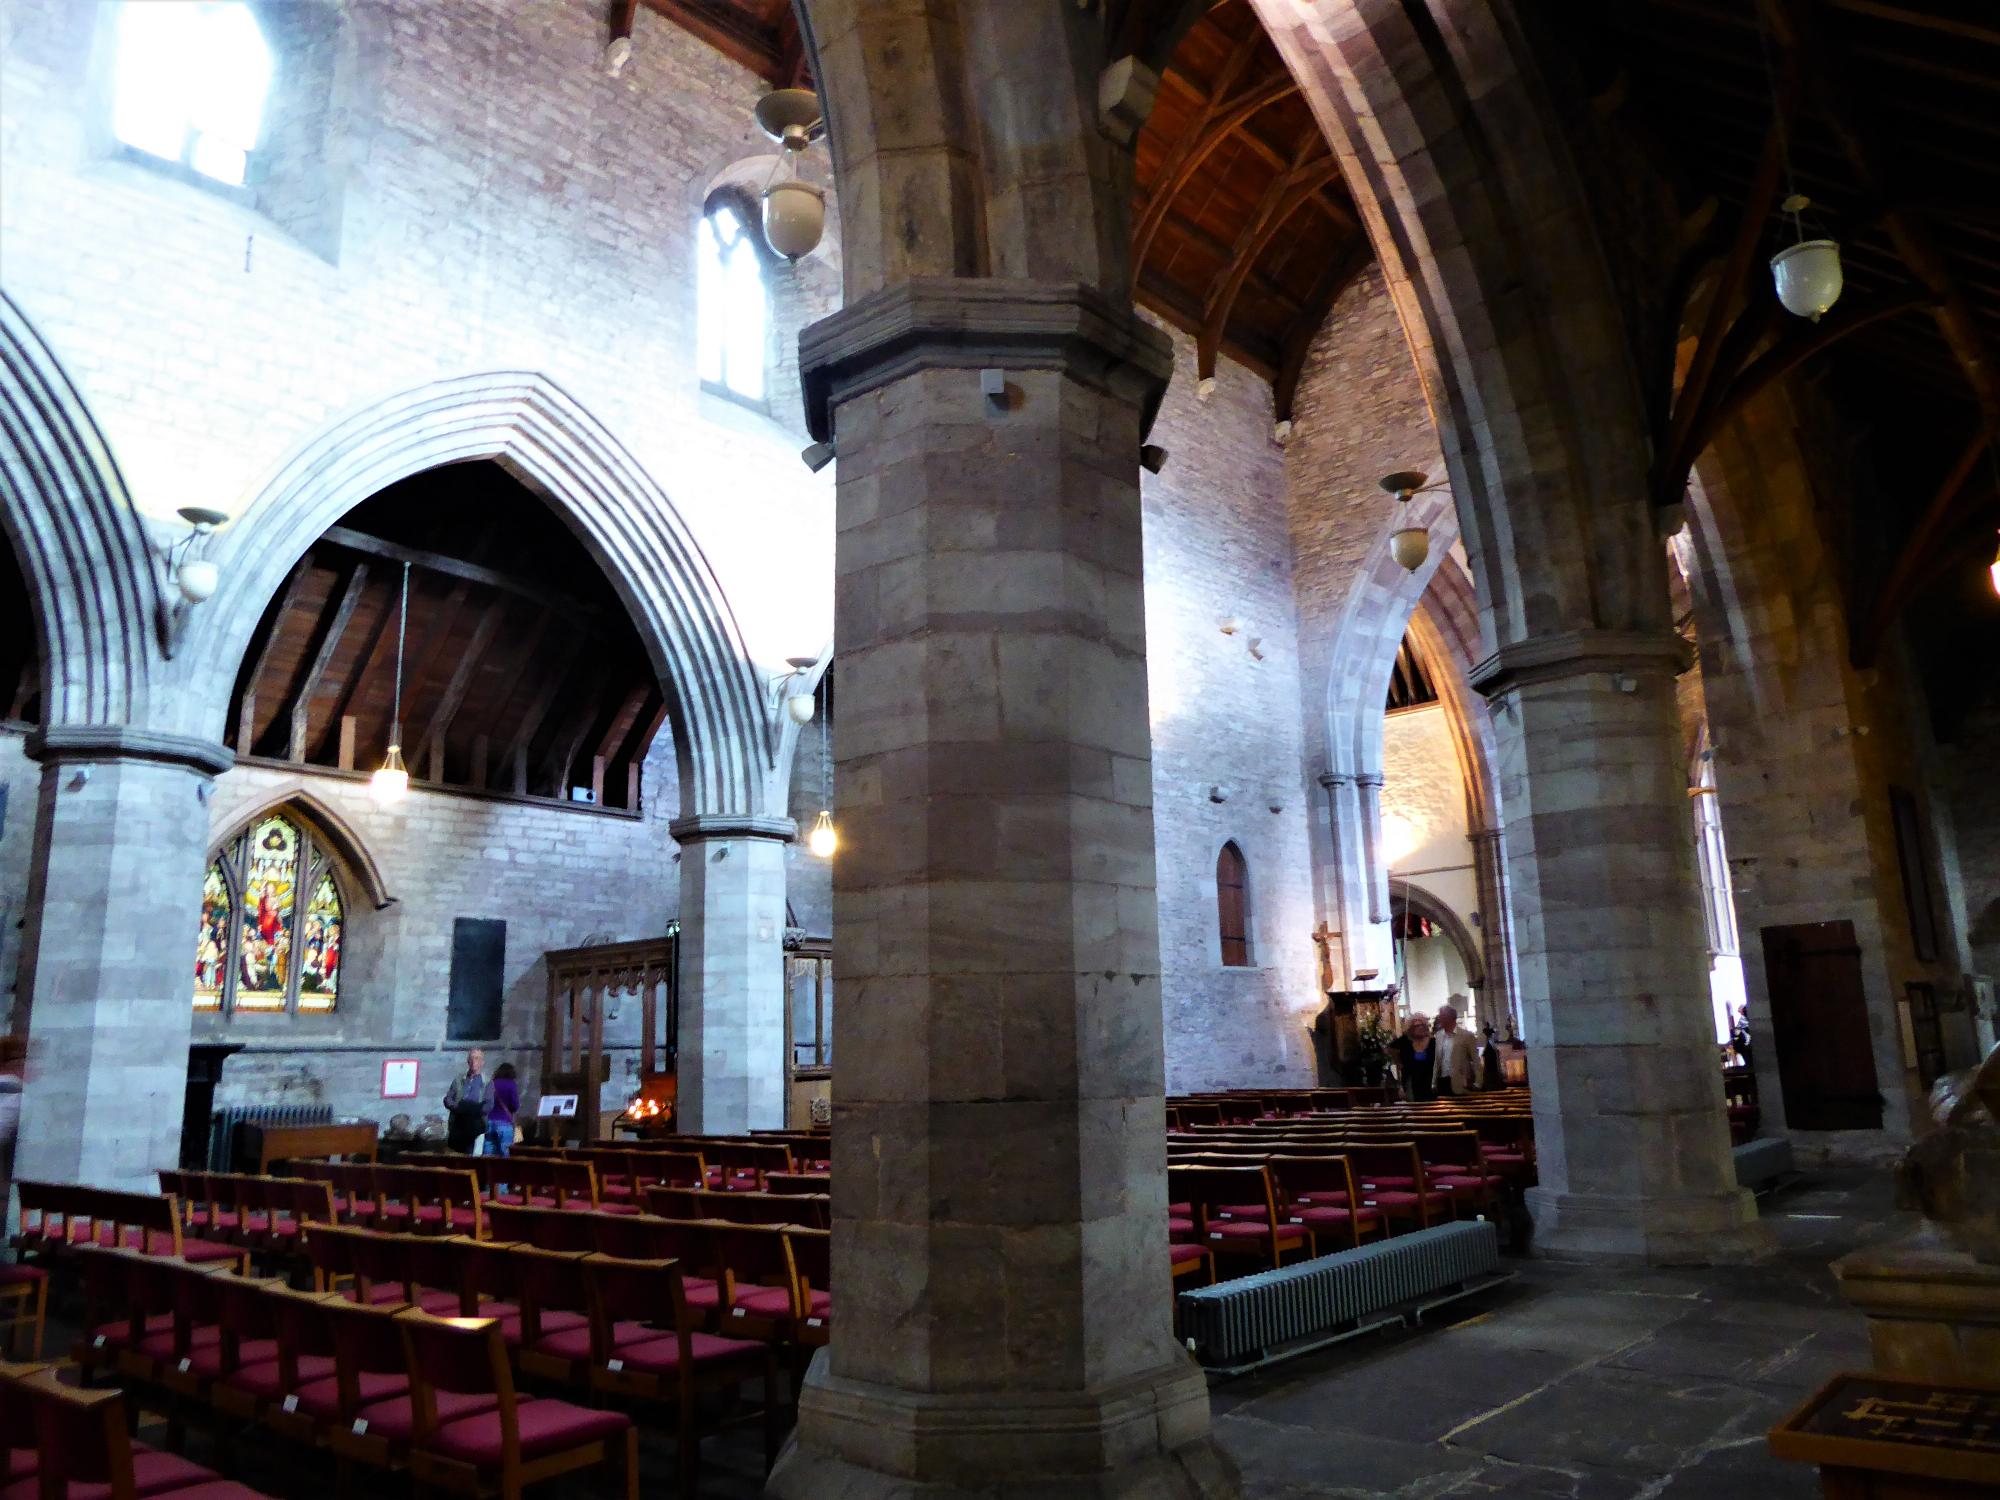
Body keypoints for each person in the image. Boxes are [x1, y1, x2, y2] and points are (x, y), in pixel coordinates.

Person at [443, 1048, 490, 1154]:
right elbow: (448, 1098)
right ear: (468, 1061)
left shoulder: (486, 1082)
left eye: (477, 1058)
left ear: (482, 1062)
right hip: (458, 1125)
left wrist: (473, 1109)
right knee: (456, 1157)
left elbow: (489, 1104)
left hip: (477, 1125)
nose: (474, 1062)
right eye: (472, 1058)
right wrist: (457, 1107)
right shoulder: (458, 1080)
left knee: (473, 1159)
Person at [1388, 1015, 1437, 1101]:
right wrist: (1398, 1061)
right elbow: (1389, 1048)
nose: (1420, 1028)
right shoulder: (1405, 1041)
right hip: (1411, 1082)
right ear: (1411, 1028)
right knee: (1414, 1108)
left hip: (1430, 1081)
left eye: (1422, 1025)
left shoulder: (1434, 1042)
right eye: (1416, 1026)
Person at [1435, 1000, 1478, 1095]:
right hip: (1442, 1082)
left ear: (1450, 1018)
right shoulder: (1438, 1036)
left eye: (1441, 1016)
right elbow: (1437, 1061)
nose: (1439, 1019)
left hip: (1460, 1081)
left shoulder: (1466, 1036)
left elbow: (1475, 1060)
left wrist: (1478, 1082)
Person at [484, 1062, 519, 1157]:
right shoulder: (511, 1084)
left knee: (488, 1155)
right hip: (505, 1123)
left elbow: (486, 1102)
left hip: (489, 1122)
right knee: (505, 1155)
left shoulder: (492, 1083)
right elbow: (515, 1105)